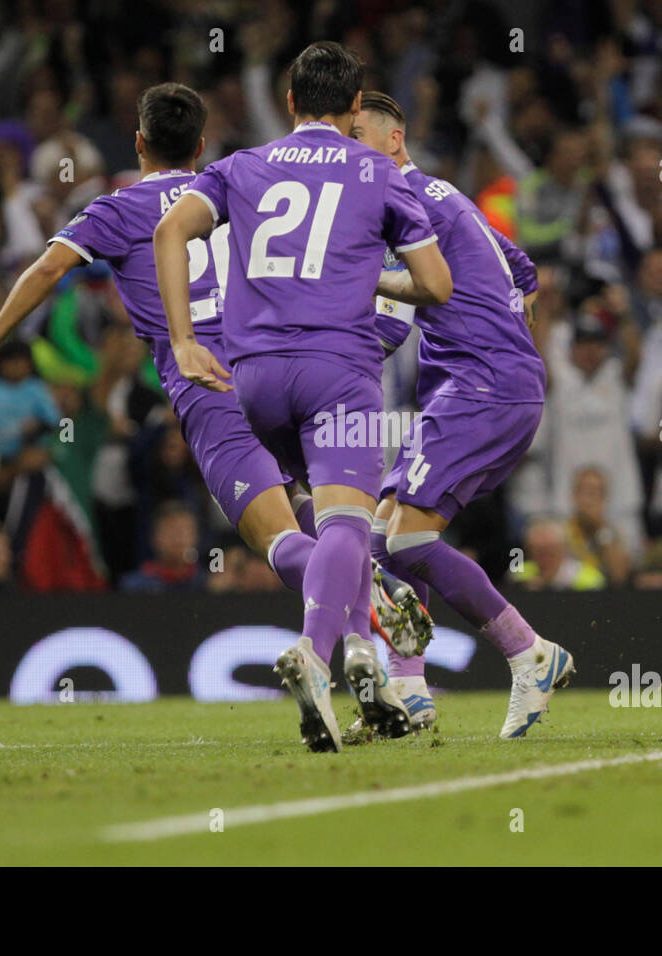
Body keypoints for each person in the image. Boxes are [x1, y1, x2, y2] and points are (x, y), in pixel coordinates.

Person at [0, 79, 433, 750]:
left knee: (281, 542)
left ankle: (359, 608)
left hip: (208, 389)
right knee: (333, 520)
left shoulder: (118, 209)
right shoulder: (236, 188)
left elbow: (44, 271)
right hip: (276, 364)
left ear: (139, 142)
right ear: (201, 145)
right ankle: (358, 636)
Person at [154, 49, 454, 752]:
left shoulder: (238, 166)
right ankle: (317, 656)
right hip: (338, 370)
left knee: (319, 515)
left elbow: (169, 231)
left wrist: (184, 340)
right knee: (348, 519)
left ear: (289, 100)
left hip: (253, 379)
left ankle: (358, 646)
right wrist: (379, 286)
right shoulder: (378, 170)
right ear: (356, 110)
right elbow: (436, 284)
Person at [352, 90, 576, 739]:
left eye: (358, 138)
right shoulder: (446, 196)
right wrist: (516, 339)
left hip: (482, 386)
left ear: (395, 140)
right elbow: (525, 269)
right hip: (477, 385)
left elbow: (397, 321)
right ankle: (409, 689)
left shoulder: (405, 204)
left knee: (408, 540)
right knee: (383, 534)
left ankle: (528, 652)